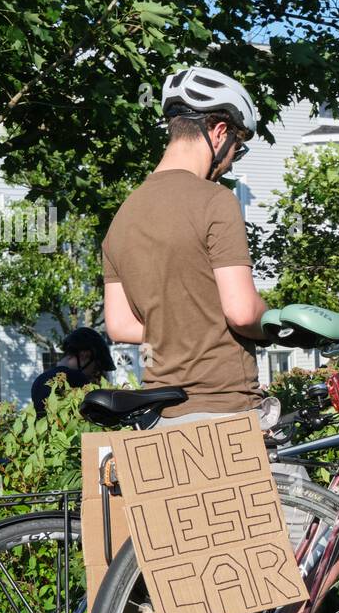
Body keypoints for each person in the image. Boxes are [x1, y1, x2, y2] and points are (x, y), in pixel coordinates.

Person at [102, 66, 275, 429]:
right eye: (236, 149)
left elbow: (119, 325)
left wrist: (182, 325)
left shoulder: (123, 216)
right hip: (224, 407)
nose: (230, 161)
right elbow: (242, 312)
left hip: (161, 414)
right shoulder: (216, 200)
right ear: (219, 131)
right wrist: (279, 323)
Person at [29, 327, 115, 417]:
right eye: (96, 368)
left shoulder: (41, 379)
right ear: (85, 355)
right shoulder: (77, 379)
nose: (94, 374)